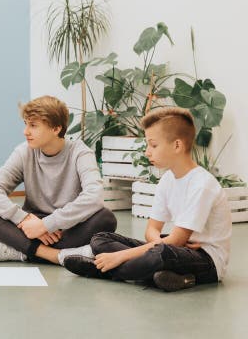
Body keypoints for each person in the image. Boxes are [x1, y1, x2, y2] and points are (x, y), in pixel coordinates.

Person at [64, 107, 231, 291]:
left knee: (161, 253)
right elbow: (152, 230)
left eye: (153, 145)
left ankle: (101, 270)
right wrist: (158, 242)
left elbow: (174, 242)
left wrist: (121, 256)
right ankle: (164, 277)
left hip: (206, 260)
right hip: (173, 248)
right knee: (100, 239)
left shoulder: (202, 184)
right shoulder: (168, 179)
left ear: (177, 145)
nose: (147, 152)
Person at [0, 96, 117, 265]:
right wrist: (24, 219)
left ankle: (22, 250)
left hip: (66, 225)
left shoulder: (80, 152)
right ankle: (57, 255)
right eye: (26, 124)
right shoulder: (24, 152)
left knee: (106, 218)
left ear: (56, 128)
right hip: (31, 225)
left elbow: (94, 196)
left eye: (33, 125)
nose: (25, 131)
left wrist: (47, 225)